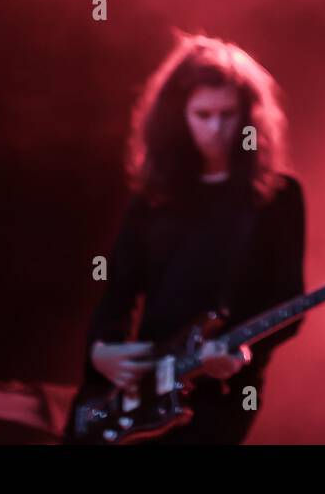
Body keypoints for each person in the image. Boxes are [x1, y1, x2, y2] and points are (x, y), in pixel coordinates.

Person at [77, 32, 306, 444]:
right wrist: (101, 348)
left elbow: (290, 304)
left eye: (227, 114)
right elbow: (117, 292)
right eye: (202, 114)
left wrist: (241, 349)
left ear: (249, 117)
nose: (215, 128)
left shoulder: (278, 197)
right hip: (143, 388)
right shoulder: (156, 197)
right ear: (177, 116)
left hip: (220, 397)